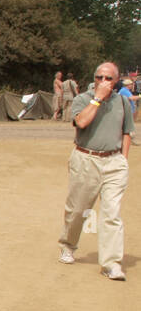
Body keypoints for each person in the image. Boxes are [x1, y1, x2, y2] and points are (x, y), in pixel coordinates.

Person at [59, 61, 132, 280]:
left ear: (116, 80)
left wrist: (123, 159)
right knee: (78, 210)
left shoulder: (122, 102)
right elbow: (81, 122)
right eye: (99, 77)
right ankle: (68, 245)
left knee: (112, 214)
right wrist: (97, 98)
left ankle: (111, 263)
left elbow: (127, 131)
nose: (103, 82)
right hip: (85, 159)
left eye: (108, 78)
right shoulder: (83, 99)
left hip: (113, 163)